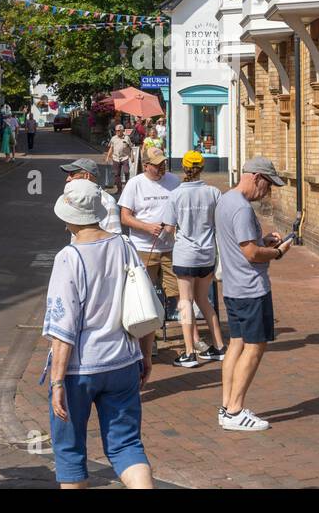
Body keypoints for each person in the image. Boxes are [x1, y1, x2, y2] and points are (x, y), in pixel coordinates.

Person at [44, 179, 154, 488]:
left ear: (69, 217)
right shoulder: (125, 245)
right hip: (122, 361)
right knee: (127, 446)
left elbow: (63, 328)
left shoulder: (69, 257)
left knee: (70, 452)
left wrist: (56, 382)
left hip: (80, 370)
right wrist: (145, 355)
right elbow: (144, 305)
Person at [217, 157, 292, 432]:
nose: (268, 192)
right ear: (257, 177)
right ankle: (236, 409)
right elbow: (250, 253)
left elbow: (243, 245)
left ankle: (227, 406)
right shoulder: (242, 209)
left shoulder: (226, 200)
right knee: (255, 346)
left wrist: (263, 242)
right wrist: (278, 251)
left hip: (234, 287)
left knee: (236, 345)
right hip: (251, 288)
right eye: (268, 185)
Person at [162, 151, 225, 367]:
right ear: (202, 167)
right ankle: (219, 346)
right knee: (203, 300)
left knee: (185, 301)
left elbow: (169, 228)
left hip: (185, 254)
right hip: (207, 253)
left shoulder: (176, 194)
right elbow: (220, 222)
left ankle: (189, 353)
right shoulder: (214, 192)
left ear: (184, 167)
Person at [119, 146, 181, 327]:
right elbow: (125, 217)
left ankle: (190, 339)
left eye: (163, 163)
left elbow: (180, 210)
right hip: (144, 249)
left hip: (171, 248)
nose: (162, 167)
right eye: (156, 165)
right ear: (145, 165)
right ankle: (149, 337)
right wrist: (147, 227)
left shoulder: (174, 181)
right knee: (145, 293)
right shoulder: (135, 184)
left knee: (180, 292)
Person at [60, 158, 121, 235]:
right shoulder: (76, 197)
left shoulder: (107, 202)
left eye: (72, 175)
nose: (67, 179)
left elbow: (114, 236)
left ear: (86, 176)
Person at [105, 124, 135, 195]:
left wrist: (132, 156)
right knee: (116, 174)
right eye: (116, 131)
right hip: (116, 158)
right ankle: (119, 189)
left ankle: (128, 187)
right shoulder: (113, 138)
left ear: (122, 131)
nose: (117, 132)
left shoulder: (127, 138)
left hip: (125, 157)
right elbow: (111, 148)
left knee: (126, 171)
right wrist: (107, 157)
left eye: (118, 130)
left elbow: (131, 148)